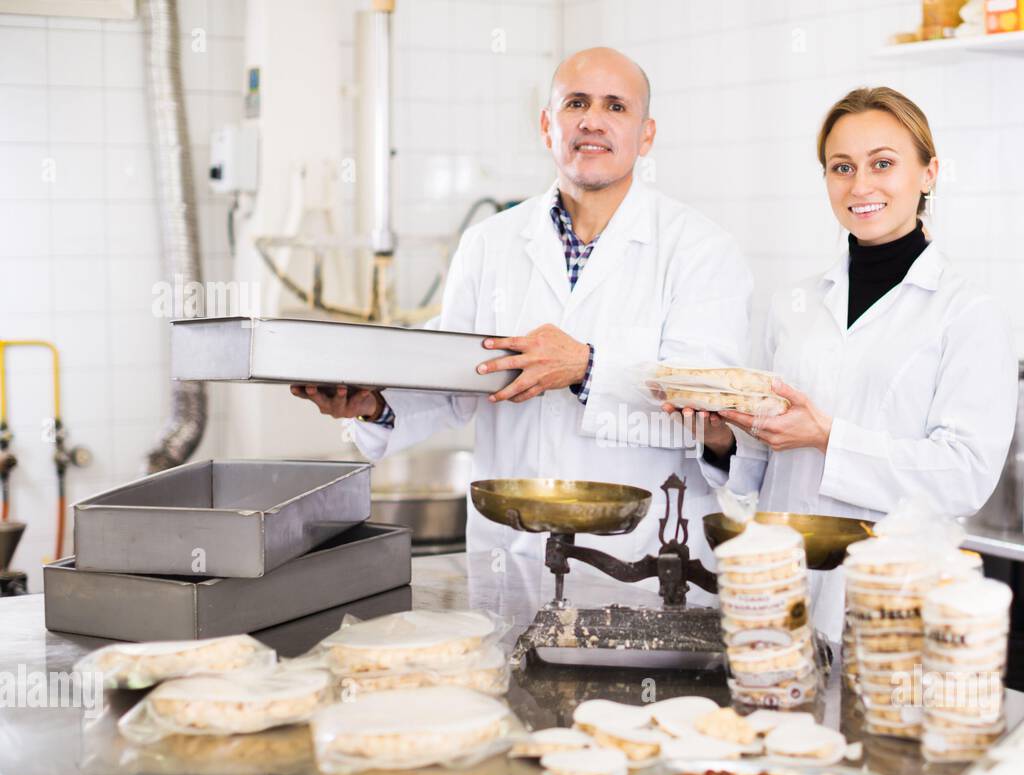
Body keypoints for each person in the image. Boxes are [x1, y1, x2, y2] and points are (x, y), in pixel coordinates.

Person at [293, 48, 753, 567]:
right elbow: (458, 383)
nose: (592, 121)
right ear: (546, 125)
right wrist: (374, 405)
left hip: (643, 561)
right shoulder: (488, 242)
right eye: (575, 103)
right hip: (512, 558)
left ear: (646, 134)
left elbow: (709, 408)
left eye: (616, 107)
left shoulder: (701, 250)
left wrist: (587, 368)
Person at [675, 87, 1016, 636]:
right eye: (842, 167)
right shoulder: (795, 306)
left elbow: (964, 477)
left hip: (891, 598)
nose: (860, 186)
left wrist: (826, 436)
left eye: (883, 163)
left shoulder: (969, 314)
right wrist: (723, 437)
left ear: (929, 173)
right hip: (781, 586)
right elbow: (761, 466)